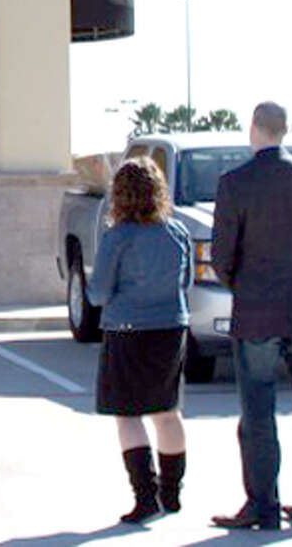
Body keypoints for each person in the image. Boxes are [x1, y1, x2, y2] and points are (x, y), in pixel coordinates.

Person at [210, 101, 292, 530]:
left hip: (256, 310)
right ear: (284, 130)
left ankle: (263, 507)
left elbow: (221, 256)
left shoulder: (235, 182)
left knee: (258, 410)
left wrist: (240, 284)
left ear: (255, 130)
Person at [87, 156, 193, 524]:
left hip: (127, 330)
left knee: (128, 414)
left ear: (120, 195)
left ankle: (144, 496)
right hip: (171, 327)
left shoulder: (117, 237)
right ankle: (172, 493)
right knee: (167, 413)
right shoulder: (177, 232)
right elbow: (187, 284)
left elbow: (98, 293)